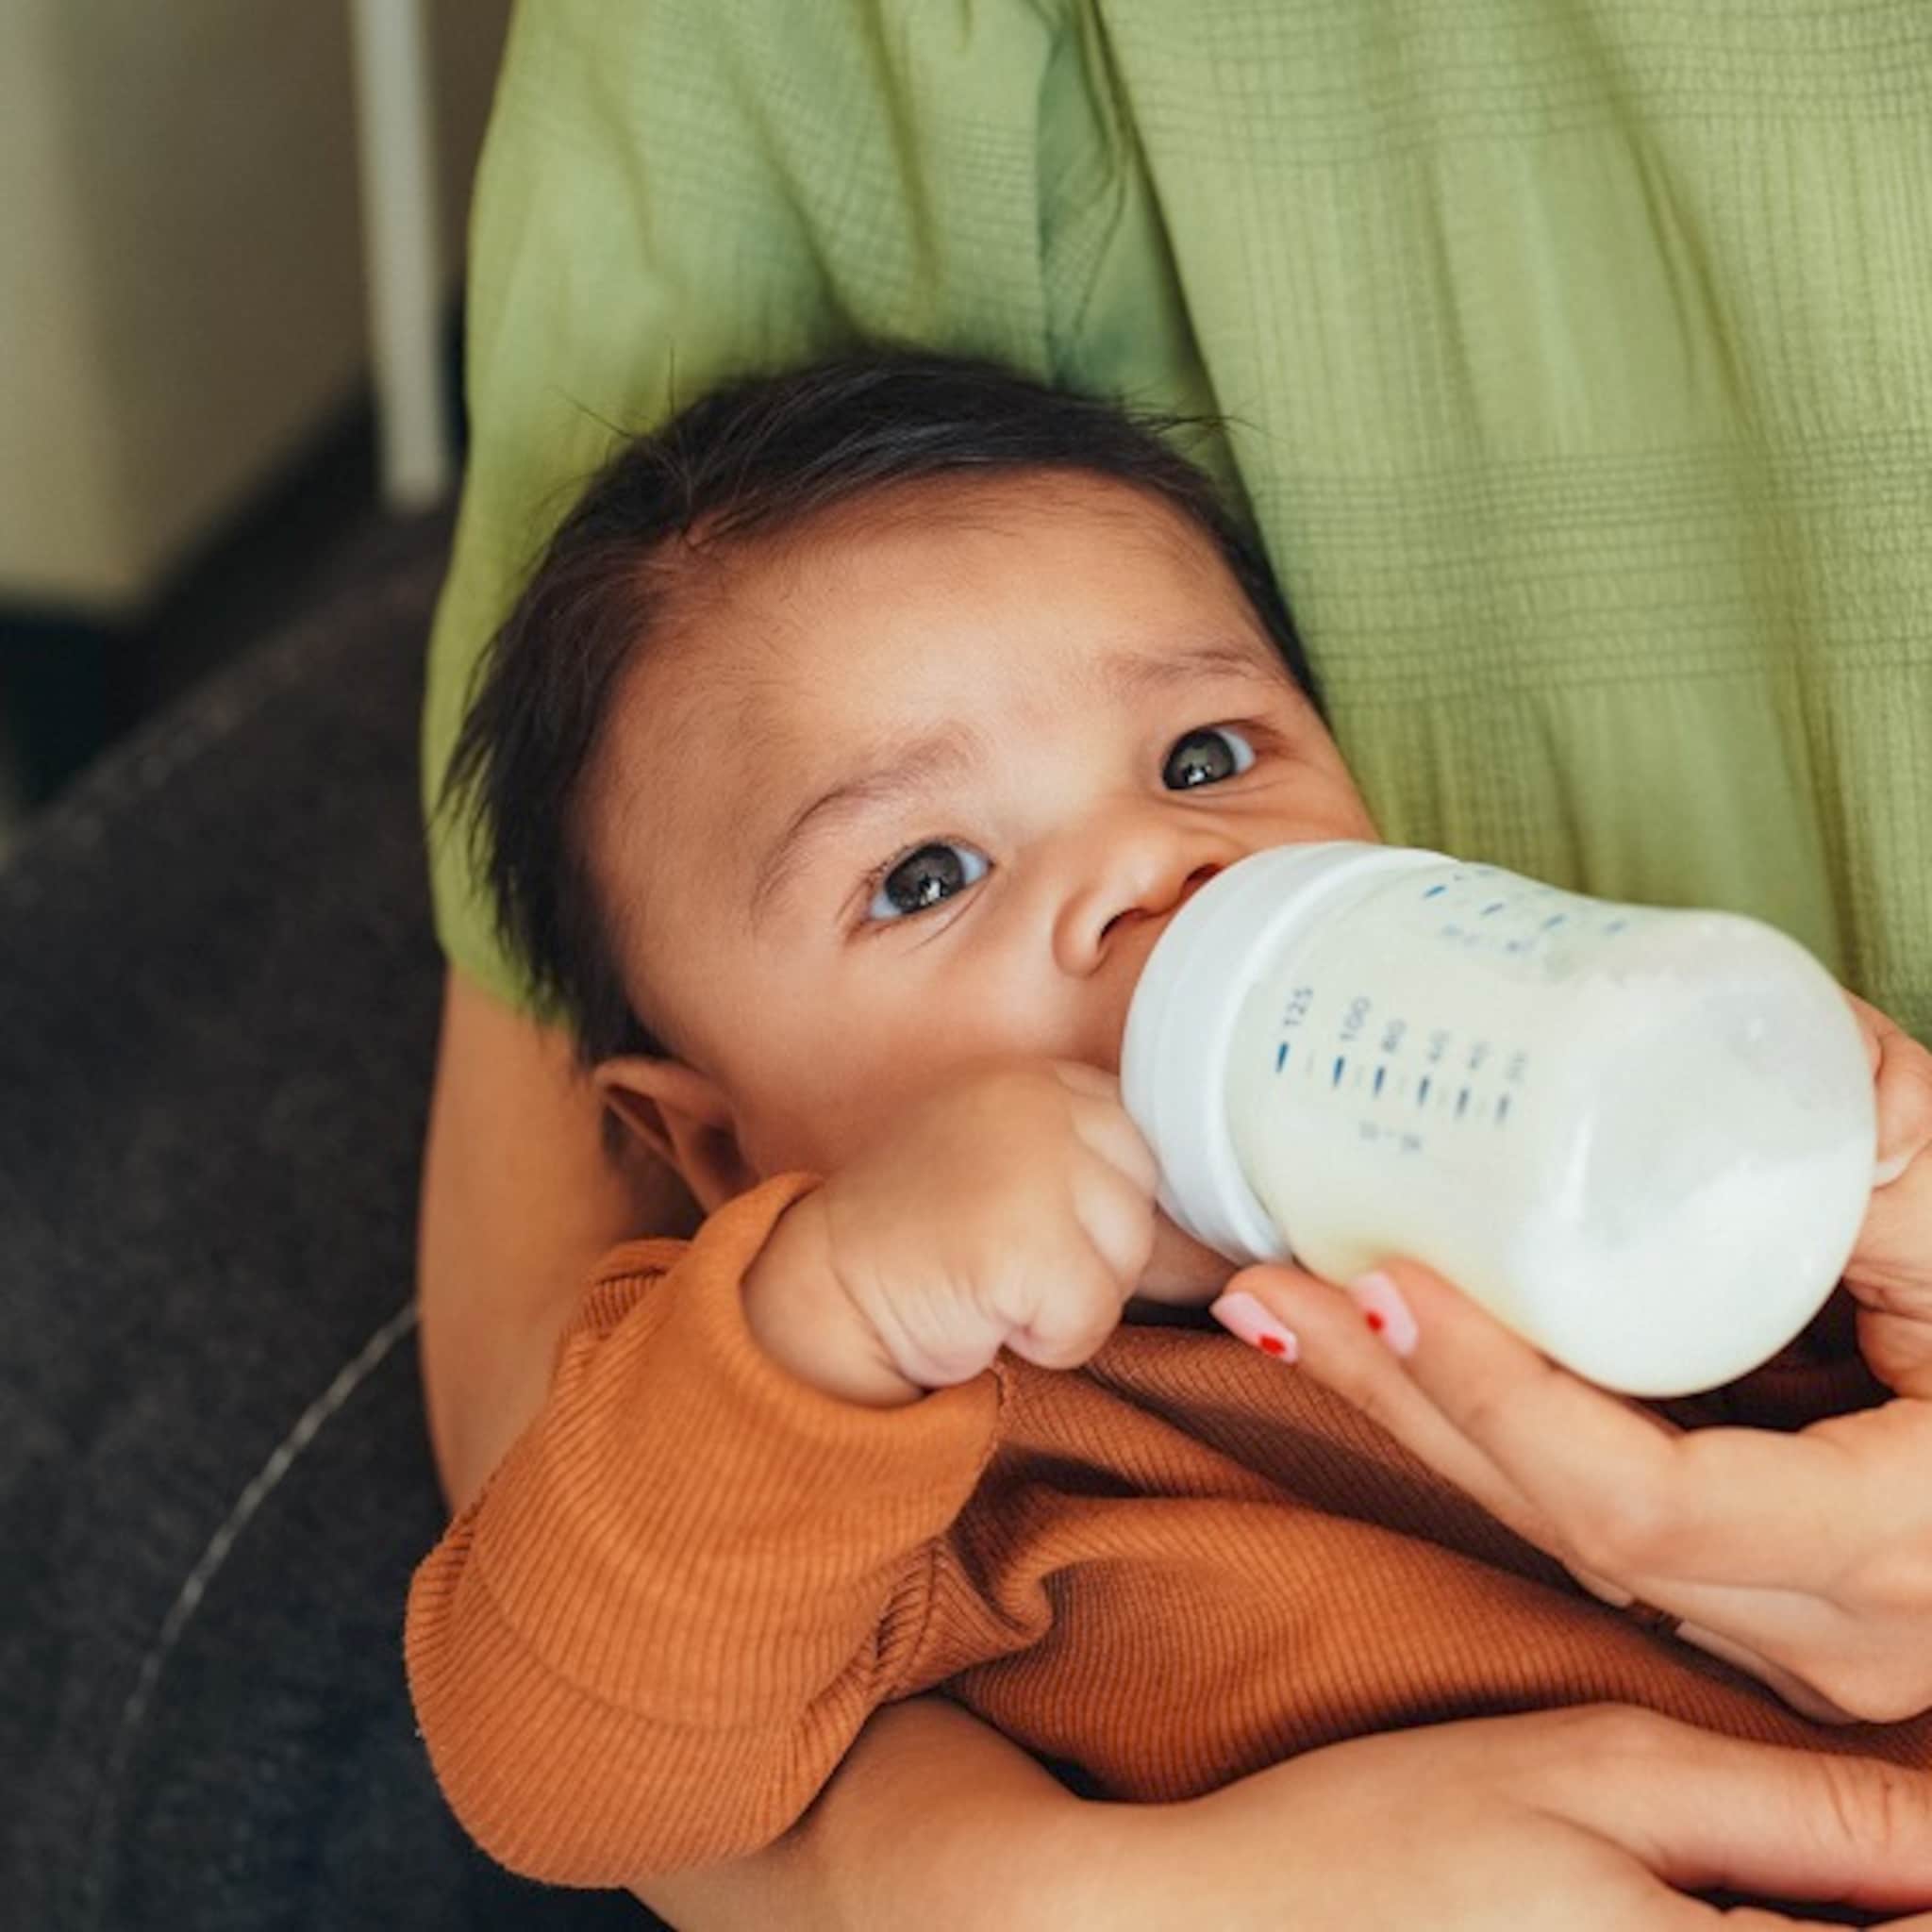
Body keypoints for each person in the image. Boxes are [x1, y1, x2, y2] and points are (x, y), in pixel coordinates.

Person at [417, 3, 1932, 1923]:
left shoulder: (1529, 1144)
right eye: (927, 872)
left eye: (1206, 756)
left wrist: (1846, 1196)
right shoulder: (885, 1432)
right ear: (716, 1144)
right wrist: (822, 1325)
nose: (1149, 863)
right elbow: (554, 1770)